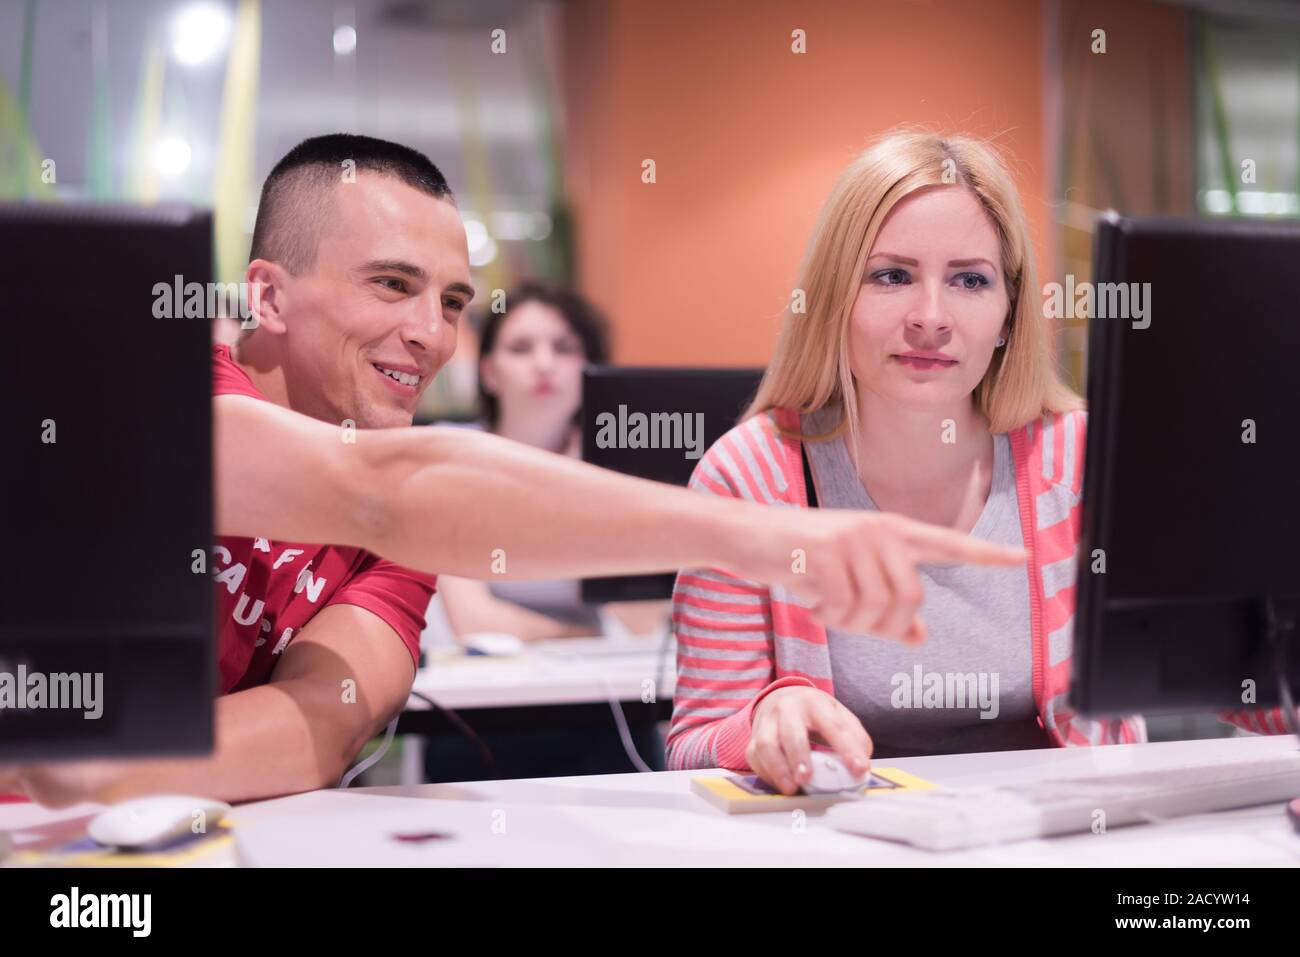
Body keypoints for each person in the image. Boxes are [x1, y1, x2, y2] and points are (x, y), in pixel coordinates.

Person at [1, 133, 1022, 808]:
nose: (429, 335)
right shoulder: (156, 389)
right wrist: (762, 536)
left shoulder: (398, 542)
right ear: (267, 296)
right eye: (392, 287)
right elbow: (382, 486)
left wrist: (100, 769)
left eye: (451, 302)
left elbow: (327, 723)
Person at [666, 129, 1287, 795]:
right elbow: (694, 743)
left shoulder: (1082, 459)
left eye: (969, 280)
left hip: (1065, 843)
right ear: (832, 299)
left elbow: (1246, 684)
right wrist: (761, 718)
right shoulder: (749, 479)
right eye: (891, 275)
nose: (931, 317)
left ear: (1009, 315)